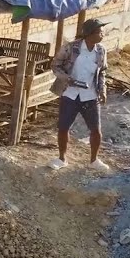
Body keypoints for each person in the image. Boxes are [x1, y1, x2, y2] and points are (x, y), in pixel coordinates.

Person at [50, 18, 109, 170]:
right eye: (99, 32)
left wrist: (102, 90)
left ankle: (94, 160)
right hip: (70, 94)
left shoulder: (101, 51)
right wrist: (66, 79)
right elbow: (55, 65)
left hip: (90, 95)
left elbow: (102, 72)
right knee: (63, 127)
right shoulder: (70, 48)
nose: (103, 34)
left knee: (95, 129)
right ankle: (62, 158)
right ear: (89, 34)